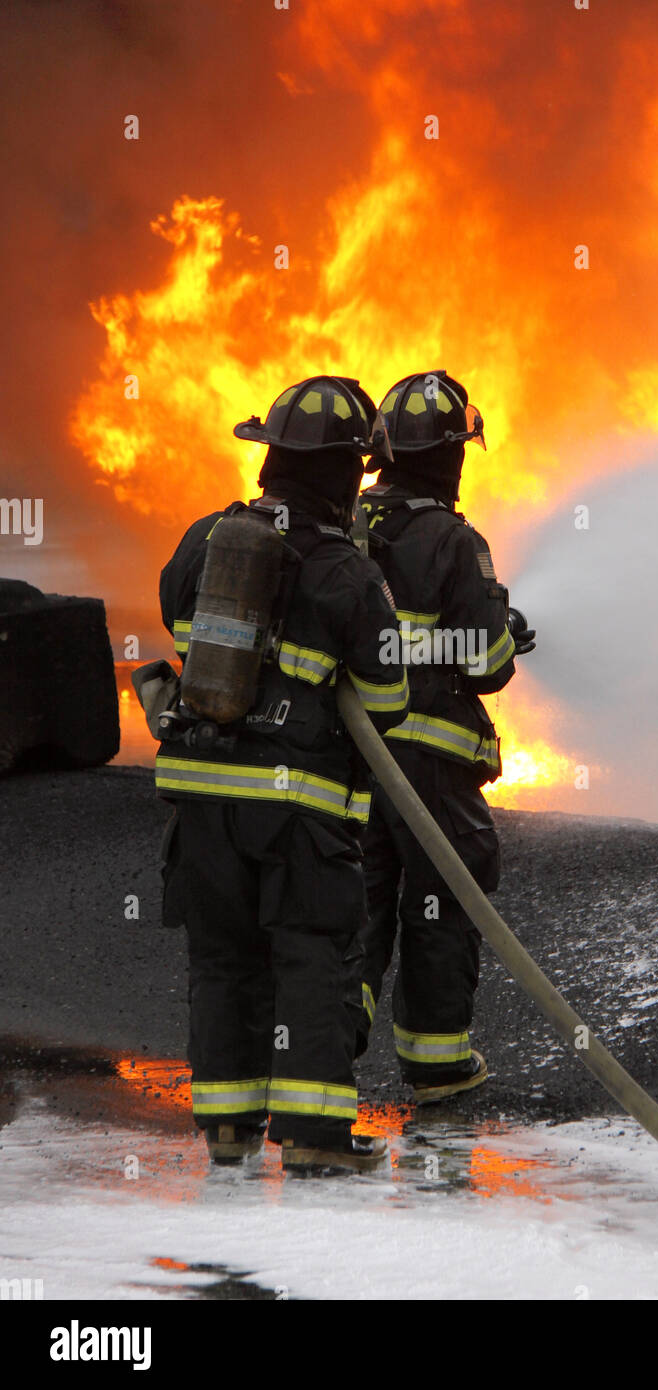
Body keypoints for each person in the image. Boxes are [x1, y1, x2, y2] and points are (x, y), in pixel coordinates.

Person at [154, 375, 409, 1170]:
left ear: (270, 458)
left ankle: (227, 1129)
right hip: (294, 803)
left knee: (223, 957)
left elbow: (172, 612)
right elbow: (389, 699)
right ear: (349, 472)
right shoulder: (346, 571)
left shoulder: (206, 538)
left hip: (199, 793)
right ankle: (313, 1138)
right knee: (312, 958)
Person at [352, 370, 535, 1103]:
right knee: (440, 907)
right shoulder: (456, 542)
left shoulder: (344, 528)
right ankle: (437, 1070)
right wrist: (503, 628)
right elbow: (488, 668)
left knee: (354, 912)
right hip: (431, 768)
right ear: (450, 455)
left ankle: (320, 1066)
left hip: (353, 761)